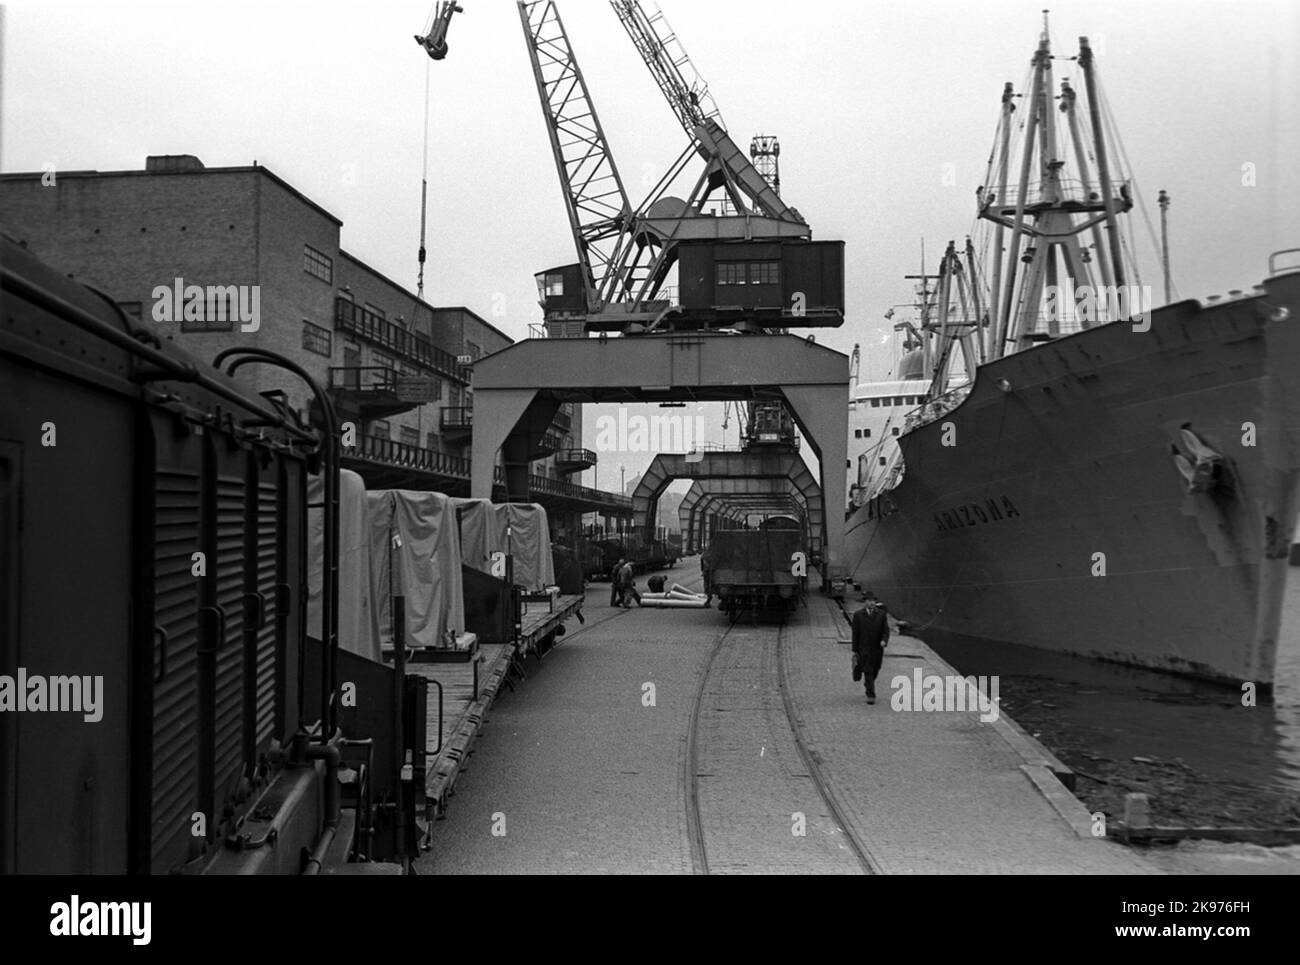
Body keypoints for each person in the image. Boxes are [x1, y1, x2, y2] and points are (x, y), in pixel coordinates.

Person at [851, 593, 890, 703]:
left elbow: (885, 630)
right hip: (864, 648)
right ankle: (870, 694)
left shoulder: (881, 614)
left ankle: (869, 683)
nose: (872, 603)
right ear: (865, 602)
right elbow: (855, 633)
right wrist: (855, 649)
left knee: (876, 669)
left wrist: (884, 641)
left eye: (873, 600)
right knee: (868, 670)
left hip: (877, 648)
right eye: (869, 600)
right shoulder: (858, 615)